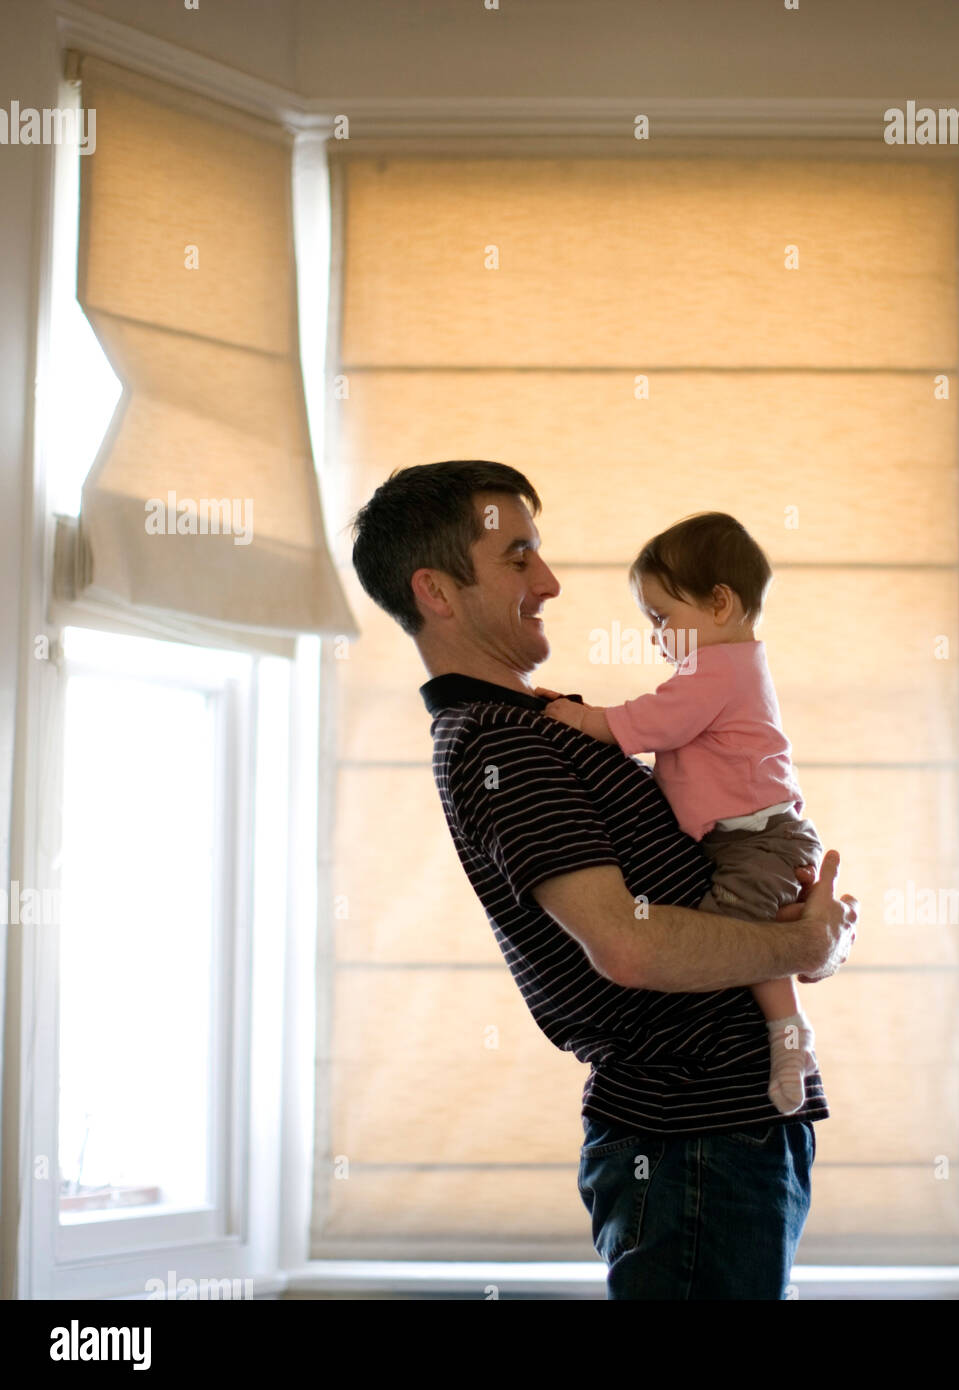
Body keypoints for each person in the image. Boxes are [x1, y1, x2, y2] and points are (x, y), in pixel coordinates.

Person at [349, 459, 859, 1299]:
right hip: (690, 1138)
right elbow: (628, 946)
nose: (549, 581)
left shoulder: (532, 725)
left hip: (722, 1133)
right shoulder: (503, 745)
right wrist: (800, 939)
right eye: (518, 557)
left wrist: (807, 937)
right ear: (437, 592)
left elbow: (701, 890)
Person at [540, 511, 824, 1116]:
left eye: (662, 618)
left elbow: (651, 722)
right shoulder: (733, 667)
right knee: (746, 934)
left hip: (760, 841)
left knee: (734, 937)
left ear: (720, 603)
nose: (655, 636)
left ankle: (789, 1038)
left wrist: (581, 718)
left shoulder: (714, 671)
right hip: (755, 836)